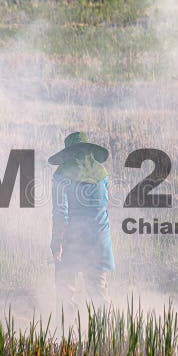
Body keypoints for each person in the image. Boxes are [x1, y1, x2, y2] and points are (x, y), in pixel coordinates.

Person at [48, 132, 115, 313]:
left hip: (72, 240)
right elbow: (103, 206)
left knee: (65, 293)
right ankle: (107, 338)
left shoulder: (61, 176)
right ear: (89, 152)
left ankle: (66, 337)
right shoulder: (103, 174)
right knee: (99, 294)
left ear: (68, 153)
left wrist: (57, 243)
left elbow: (61, 213)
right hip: (100, 239)